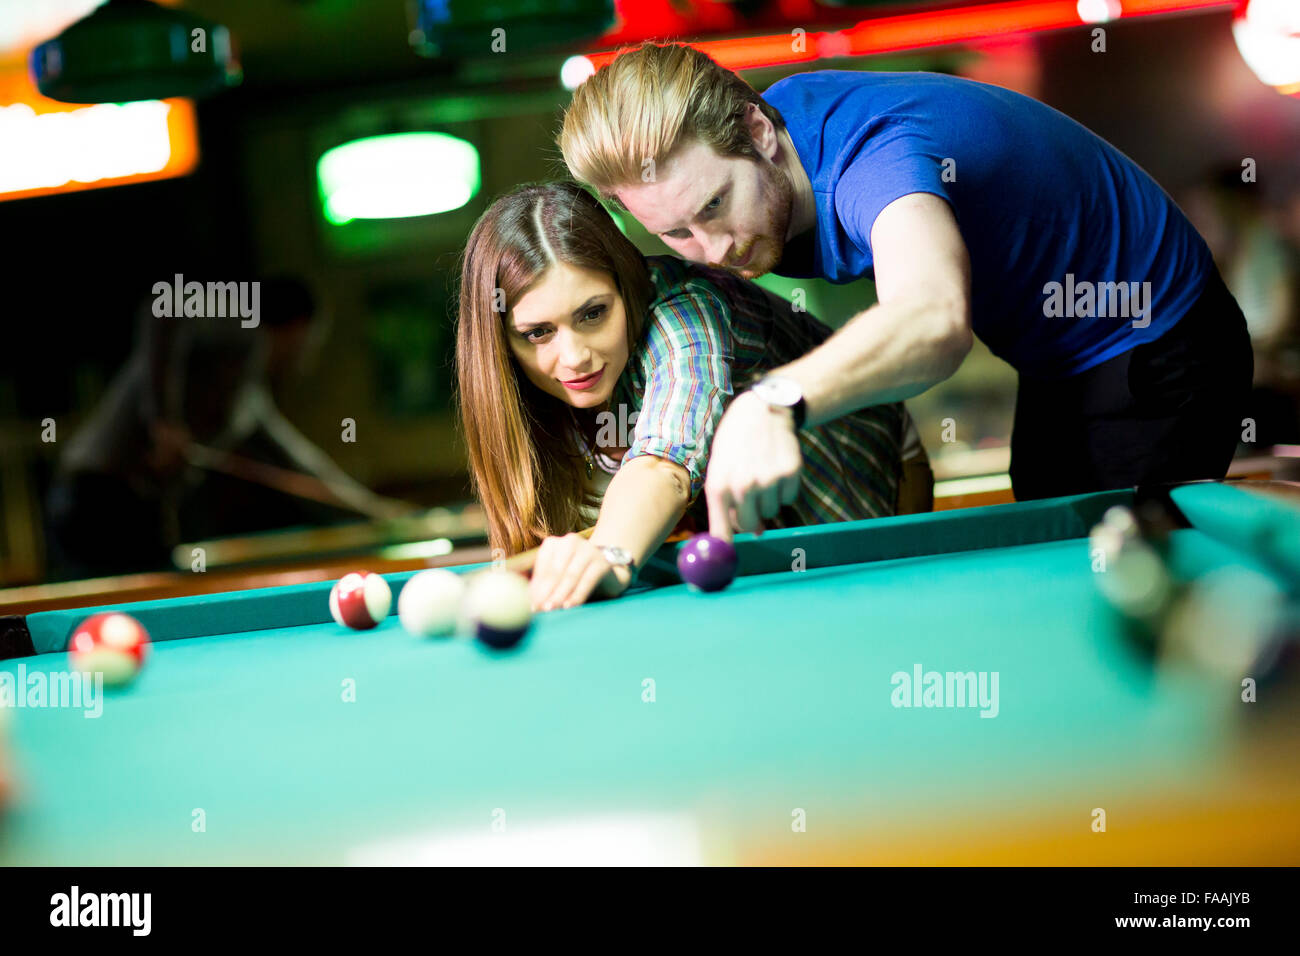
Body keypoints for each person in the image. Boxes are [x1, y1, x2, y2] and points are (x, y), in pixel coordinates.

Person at [558, 43, 1254, 537]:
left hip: (1159, 339)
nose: (712, 251)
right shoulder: (755, 145)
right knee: (1051, 535)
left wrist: (771, 404)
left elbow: (932, 321)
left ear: (759, 132)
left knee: (1117, 561)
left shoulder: (877, 159)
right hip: (1056, 360)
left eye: (713, 207)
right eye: (675, 232)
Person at [456, 181, 907, 610]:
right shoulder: (523, 393)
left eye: (593, 313)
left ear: (624, 285)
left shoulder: (686, 312)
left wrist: (611, 553)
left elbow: (664, 462)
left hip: (863, 488)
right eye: (538, 333)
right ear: (501, 342)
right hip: (739, 546)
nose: (574, 357)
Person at [46, 276, 406, 578]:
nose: (304, 359)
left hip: (136, 513)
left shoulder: (249, 400)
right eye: (308, 341)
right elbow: (163, 308)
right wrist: (164, 422)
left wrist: (374, 511)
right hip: (92, 498)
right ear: (297, 327)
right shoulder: (242, 333)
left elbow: (304, 466)